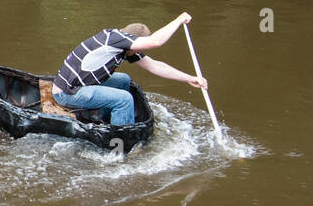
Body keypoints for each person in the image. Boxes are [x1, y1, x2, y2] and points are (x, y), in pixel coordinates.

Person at [52, 13, 207, 124]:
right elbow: (156, 42)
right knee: (125, 99)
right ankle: (119, 141)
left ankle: (105, 119)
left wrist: (189, 78)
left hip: (78, 86)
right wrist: (179, 20)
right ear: (133, 40)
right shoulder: (112, 41)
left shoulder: (121, 44)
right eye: (138, 47)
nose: (139, 52)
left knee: (123, 80)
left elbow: (155, 66)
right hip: (67, 93)